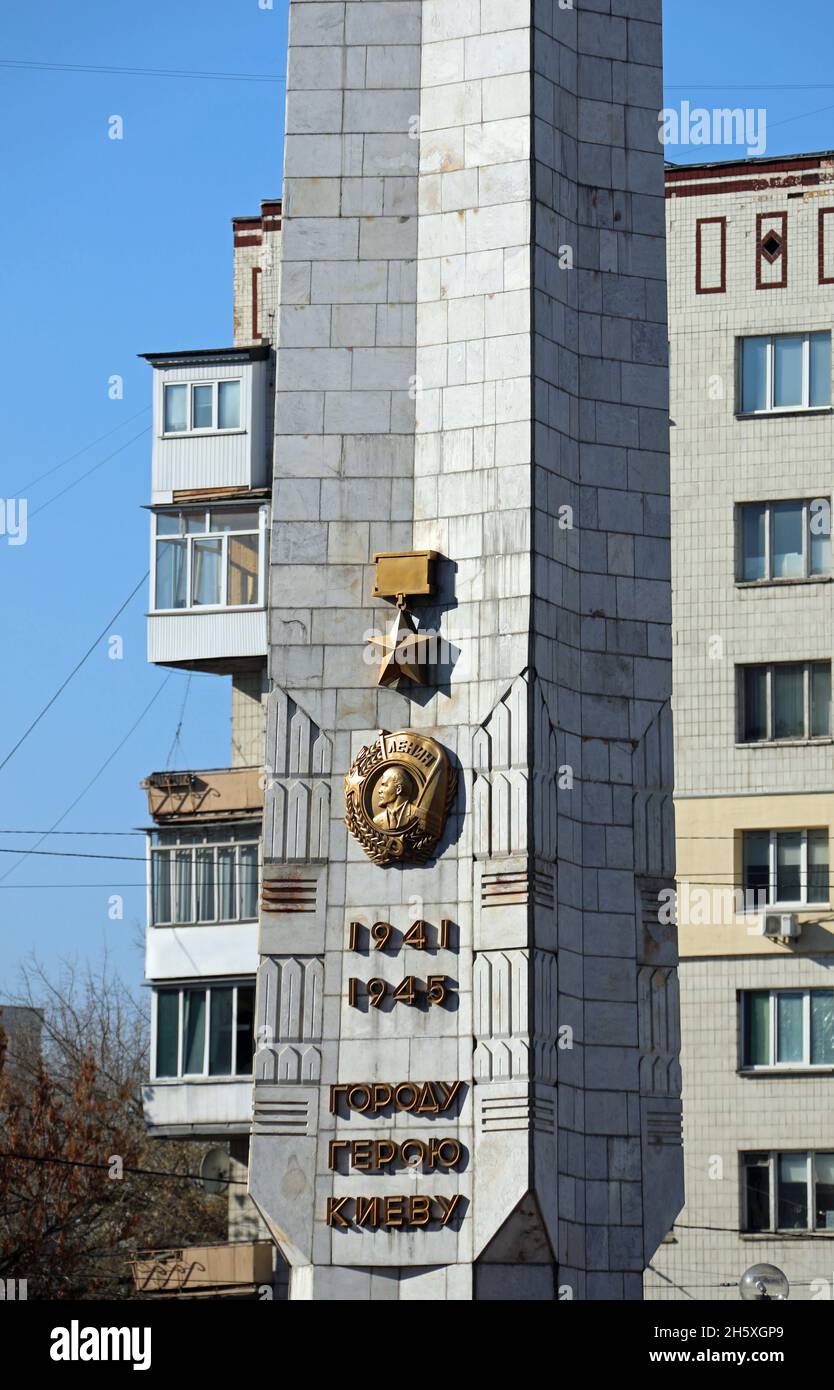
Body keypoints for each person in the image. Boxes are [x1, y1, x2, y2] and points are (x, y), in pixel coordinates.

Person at [372, 766, 419, 830]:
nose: (379, 791)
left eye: (385, 785)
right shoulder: (377, 820)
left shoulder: (417, 814)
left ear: (398, 789)